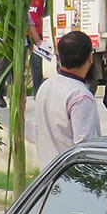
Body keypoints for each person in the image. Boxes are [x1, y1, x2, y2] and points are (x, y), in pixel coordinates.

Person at [32, 30, 101, 167]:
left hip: (48, 171)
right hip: (71, 174)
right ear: (90, 57)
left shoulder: (46, 86)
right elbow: (85, 148)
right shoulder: (80, 96)